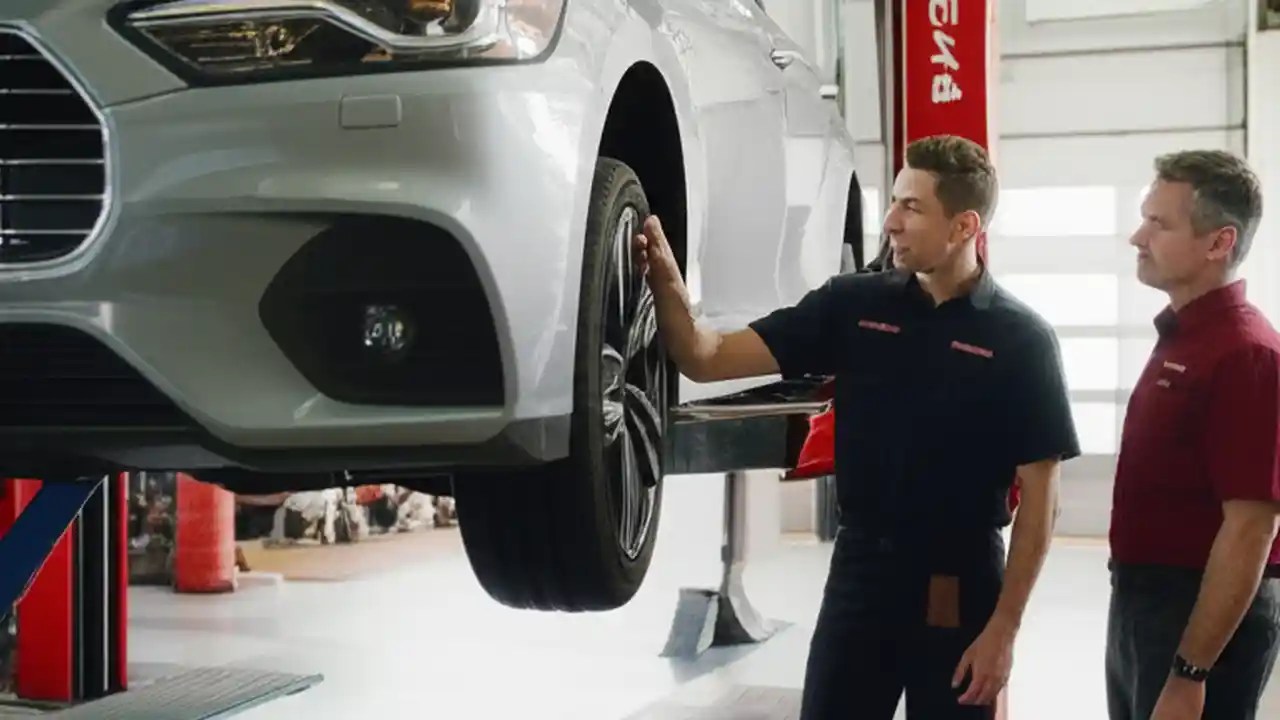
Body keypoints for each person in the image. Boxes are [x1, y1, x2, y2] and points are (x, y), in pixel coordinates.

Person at [635, 134, 1081, 719]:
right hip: (862, 573)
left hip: (961, 583)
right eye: (893, 201)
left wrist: (1003, 630)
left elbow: (1042, 499)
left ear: (964, 226)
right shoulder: (852, 307)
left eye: (912, 207)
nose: (890, 221)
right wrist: (666, 280)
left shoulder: (1022, 340)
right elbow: (707, 356)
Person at [1107, 149, 1280, 720]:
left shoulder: (1246, 354)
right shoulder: (1184, 338)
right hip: (1143, 608)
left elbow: (1251, 527)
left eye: (1159, 224)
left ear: (1218, 242)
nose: (1138, 237)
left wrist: (1190, 672)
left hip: (1193, 618)